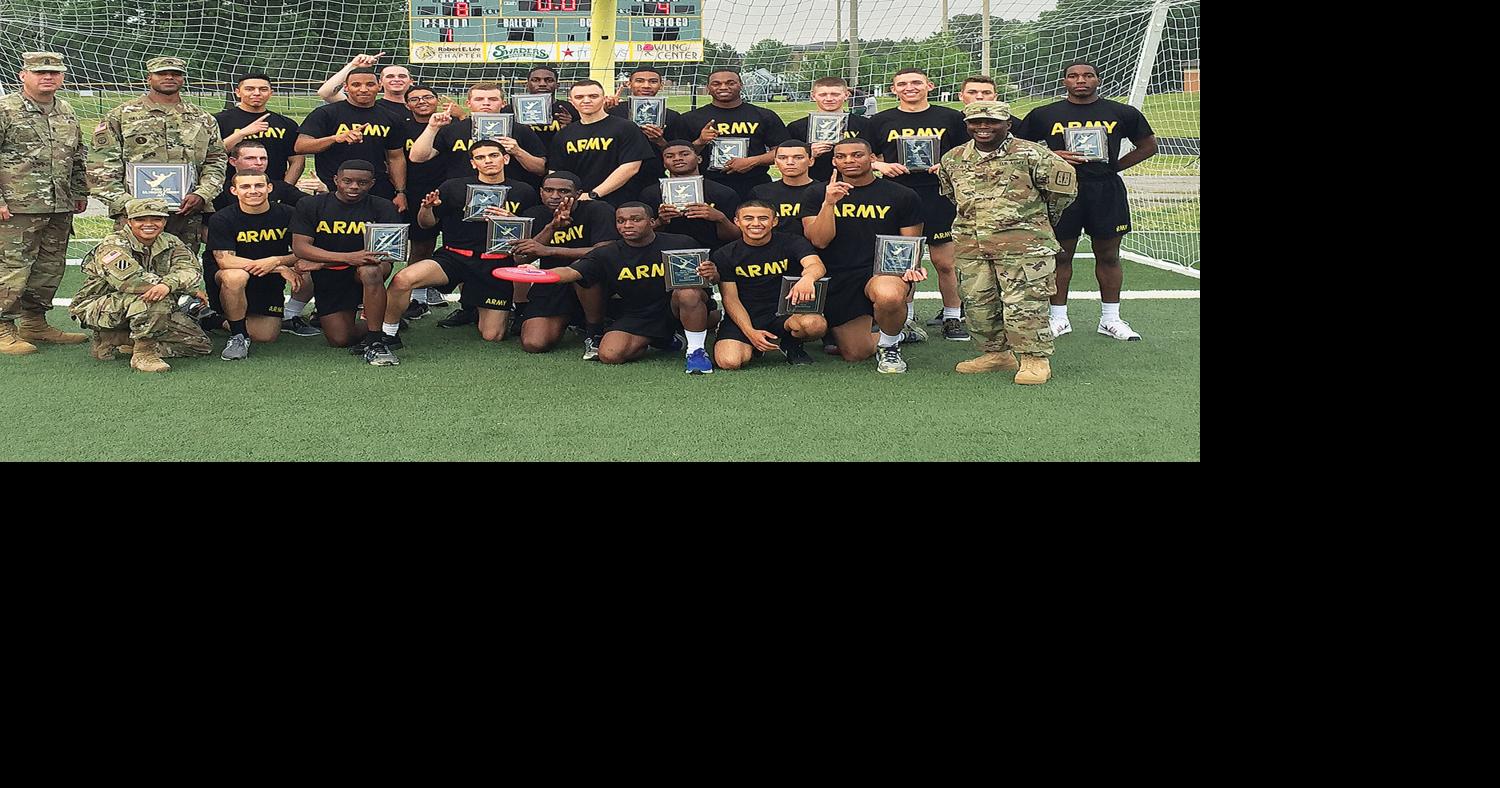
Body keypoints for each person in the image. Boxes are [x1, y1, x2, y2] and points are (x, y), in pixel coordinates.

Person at [1012, 59, 1157, 341]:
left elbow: (1148, 145)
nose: (1081, 80)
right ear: (1064, 81)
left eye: (1088, 75)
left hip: (1105, 190)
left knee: (1108, 254)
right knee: (1061, 255)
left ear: (1098, 80)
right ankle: (1059, 318)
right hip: (1062, 189)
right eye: (1073, 76)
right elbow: (1018, 147)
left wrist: (1114, 166)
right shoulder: (1045, 114)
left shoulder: (1121, 112)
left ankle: (1110, 319)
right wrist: (1051, 157)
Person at [938, 101, 1077, 385]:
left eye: (991, 121)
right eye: (975, 121)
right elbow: (954, 196)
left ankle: (1034, 358)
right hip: (971, 245)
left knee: (1024, 304)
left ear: (1008, 124)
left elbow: (1061, 194)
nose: (983, 127)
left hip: (1024, 247)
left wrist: (1031, 222)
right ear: (967, 125)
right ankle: (996, 354)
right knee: (978, 303)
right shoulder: (953, 159)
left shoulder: (1034, 155)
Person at [375, 140, 540, 364]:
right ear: (473, 163)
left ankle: (480, 307)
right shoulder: (453, 186)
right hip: (454, 256)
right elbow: (426, 224)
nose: (488, 161)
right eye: (480, 158)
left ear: (506, 158)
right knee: (403, 279)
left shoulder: (524, 191)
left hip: (495, 262)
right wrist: (427, 207)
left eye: (493, 155)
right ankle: (387, 334)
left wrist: (512, 221)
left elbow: (530, 235)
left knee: (493, 336)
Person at [409, 82, 548, 330]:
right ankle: (469, 308)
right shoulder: (454, 129)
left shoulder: (520, 131)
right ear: (469, 103)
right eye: (480, 99)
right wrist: (432, 127)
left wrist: (517, 151)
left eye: (492, 99)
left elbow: (540, 167)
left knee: (511, 253)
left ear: (503, 103)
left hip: (509, 203)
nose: (486, 103)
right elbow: (418, 157)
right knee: (463, 250)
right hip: (459, 204)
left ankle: (518, 306)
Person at [523, 203, 719, 374]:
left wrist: (713, 274)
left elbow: (710, 278)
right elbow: (572, 272)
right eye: (621, 221)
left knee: (688, 292)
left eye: (635, 220)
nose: (627, 225)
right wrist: (538, 274)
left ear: (651, 222)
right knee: (609, 354)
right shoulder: (607, 253)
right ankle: (663, 340)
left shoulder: (680, 243)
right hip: (639, 314)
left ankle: (696, 351)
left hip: (677, 308)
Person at [800, 138, 926, 374]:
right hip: (837, 275)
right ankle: (898, 330)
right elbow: (819, 240)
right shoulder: (817, 193)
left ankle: (890, 346)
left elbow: (910, 245)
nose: (849, 161)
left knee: (888, 296)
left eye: (857, 155)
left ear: (872, 159)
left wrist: (909, 275)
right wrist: (829, 204)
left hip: (880, 272)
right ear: (834, 161)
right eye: (841, 156)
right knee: (855, 353)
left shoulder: (902, 195)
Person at [868, 67, 970, 341]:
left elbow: (969, 152)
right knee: (901, 261)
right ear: (893, 89)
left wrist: (947, 164)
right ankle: (906, 318)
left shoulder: (950, 117)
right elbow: (863, 154)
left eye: (916, 82)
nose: (909, 87)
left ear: (930, 85)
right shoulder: (880, 120)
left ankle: (952, 316)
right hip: (896, 196)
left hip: (938, 195)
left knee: (944, 261)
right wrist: (881, 165)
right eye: (902, 84)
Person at [87, 56, 227, 254]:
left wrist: (202, 194)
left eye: (176, 74)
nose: (169, 77)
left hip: (185, 215)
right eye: (162, 73)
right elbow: (101, 166)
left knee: (182, 269)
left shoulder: (203, 119)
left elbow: (216, 161)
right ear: (149, 78)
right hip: (135, 216)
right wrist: (126, 203)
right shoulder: (121, 116)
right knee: (132, 274)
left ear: (183, 79)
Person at [0, 51, 89, 355]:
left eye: (54, 72)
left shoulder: (65, 110)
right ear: (23, 75)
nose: (48, 77)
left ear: (62, 77)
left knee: (49, 267)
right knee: (12, 267)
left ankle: (34, 322)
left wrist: (79, 192)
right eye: (40, 72)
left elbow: (78, 154)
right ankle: (2, 327)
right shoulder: (6, 109)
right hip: (16, 206)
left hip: (58, 204)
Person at [69, 197, 212, 372]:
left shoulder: (172, 242)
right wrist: (171, 286)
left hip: (147, 305)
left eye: (156, 219)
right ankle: (144, 353)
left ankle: (118, 338)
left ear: (165, 221)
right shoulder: (113, 243)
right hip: (98, 306)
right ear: (129, 222)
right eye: (140, 219)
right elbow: (129, 281)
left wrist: (171, 284)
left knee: (198, 345)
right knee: (155, 298)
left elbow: (190, 271)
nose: (149, 224)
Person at [288, 160, 403, 353]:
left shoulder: (383, 207)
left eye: (362, 182)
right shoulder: (310, 204)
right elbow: (300, 247)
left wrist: (324, 262)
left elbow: (388, 253)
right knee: (341, 339)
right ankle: (389, 319)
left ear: (372, 183)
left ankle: (376, 338)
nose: (354, 187)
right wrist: (345, 259)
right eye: (347, 181)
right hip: (330, 274)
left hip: (364, 269)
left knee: (370, 271)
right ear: (335, 180)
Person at [513, 172, 620, 357]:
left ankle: (595, 330)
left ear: (578, 194)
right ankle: (573, 319)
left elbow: (606, 252)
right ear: (540, 192)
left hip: (594, 283)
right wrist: (551, 227)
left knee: (582, 267)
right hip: (553, 282)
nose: (555, 196)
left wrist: (550, 250)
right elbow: (521, 260)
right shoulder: (533, 214)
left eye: (563, 191)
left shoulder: (598, 210)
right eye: (549, 190)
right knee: (534, 343)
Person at [712, 201, 827, 369]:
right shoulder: (725, 254)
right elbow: (730, 298)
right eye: (748, 218)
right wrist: (750, 332)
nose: (756, 224)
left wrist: (808, 278)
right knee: (730, 362)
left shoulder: (792, 242)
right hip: (747, 313)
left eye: (763, 218)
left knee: (815, 325)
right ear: (737, 222)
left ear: (774, 221)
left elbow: (816, 265)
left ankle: (791, 343)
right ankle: (754, 343)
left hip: (784, 313)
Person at [206, 172, 304, 361]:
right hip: (228, 279)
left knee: (265, 336)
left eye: (259, 186)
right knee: (235, 276)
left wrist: (277, 261)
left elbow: (302, 251)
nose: (253, 191)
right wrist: (278, 266)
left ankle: (211, 319)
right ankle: (238, 336)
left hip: (267, 280)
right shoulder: (222, 218)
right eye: (245, 187)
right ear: (234, 191)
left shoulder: (288, 214)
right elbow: (226, 261)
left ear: (269, 188)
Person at [668, 68, 790, 200]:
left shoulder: (764, 115)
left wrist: (752, 161)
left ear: (741, 85)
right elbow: (676, 157)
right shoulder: (690, 119)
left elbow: (783, 152)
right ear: (707, 87)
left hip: (754, 183)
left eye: (730, 83)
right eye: (716, 84)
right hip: (708, 186)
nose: (723, 87)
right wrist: (700, 141)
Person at [295, 67, 407, 203]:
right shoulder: (326, 113)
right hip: (332, 187)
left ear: (379, 86)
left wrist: (400, 192)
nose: (364, 89)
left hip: (376, 188)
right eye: (356, 85)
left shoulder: (391, 118)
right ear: (346, 87)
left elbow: (396, 158)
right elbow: (301, 146)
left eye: (370, 84)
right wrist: (335, 138)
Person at [394, 83, 451, 318]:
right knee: (421, 244)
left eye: (427, 97)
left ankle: (468, 298)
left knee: (457, 243)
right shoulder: (402, 128)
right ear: (407, 105)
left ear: (436, 100)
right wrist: (402, 191)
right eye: (415, 99)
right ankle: (417, 298)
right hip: (416, 192)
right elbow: (394, 159)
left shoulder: (453, 126)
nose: (422, 102)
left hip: (450, 192)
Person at [548, 79, 654, 206]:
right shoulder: (563, 134)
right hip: (577, 203)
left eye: (593, 96)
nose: (586, 100)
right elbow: (555, 172)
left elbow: (630, 167)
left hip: (619, 202)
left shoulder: (626, 127)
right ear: (571, 101)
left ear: (603, 98)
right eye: (579, 97)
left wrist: (594, 194)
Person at [639, 141, 740, 251]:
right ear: (664, 163)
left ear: (699, 159)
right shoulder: (650, 194)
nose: (677, 158)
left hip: (713, 251)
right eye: (669, 156)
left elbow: (735, 237)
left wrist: (720, 218)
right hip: (664, 253)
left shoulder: (723, 192)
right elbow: (640, 235)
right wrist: (660, 221)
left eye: (685, 154)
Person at [606, 66, 683, 207]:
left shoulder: (672, 116)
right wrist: (602, 109)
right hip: (615, 178)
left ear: (661, 85)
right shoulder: (612, 111)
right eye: (640, 81)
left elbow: (678, 153)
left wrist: (660, 141)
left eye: (653, 81)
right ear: (629, 84)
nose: (646, 85)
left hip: (653, 177)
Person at [215, 73, 305, 193]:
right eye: (249, 89)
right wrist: (242, 133)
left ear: (270, 93)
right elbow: (212, 153)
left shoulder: (286, 124)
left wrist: (284, 188)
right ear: (238, 92)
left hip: (272, 188)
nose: (257, 93)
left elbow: (297, 160)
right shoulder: (219, 121)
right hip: (230, 189)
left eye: (263, 89)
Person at [786, 76, 871, 183]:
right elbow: (786, 161)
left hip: (854, 183)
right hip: (811, 183)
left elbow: (876, 156)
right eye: (823, 94)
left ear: (846, 95)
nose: (829, 99)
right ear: (813, 96)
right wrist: (809, 153)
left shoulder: (864, 124)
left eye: (835, 94)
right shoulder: (797, 127)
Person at [748, 140, 816, 239]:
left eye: (798, 157)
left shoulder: (823, 191)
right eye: (783, 158)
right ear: (775, 162)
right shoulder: (760, 192)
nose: (790, 162)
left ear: (811, 161)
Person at [317, 54, 413, 118]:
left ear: (411, 81)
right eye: (390, 76)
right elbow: (326, 93)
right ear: (380, 83)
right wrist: (353, 65)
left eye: (402, 76)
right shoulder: (366, 104)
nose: (396, 79)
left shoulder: (421, 106)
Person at [509, 66, 578, 152]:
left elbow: (583, 135)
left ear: (557, 85)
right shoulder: (512, 109)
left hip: (559, 157)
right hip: (525, 159)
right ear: (526, 85)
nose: (542, 84)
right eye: (535, 80)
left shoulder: (569, 108)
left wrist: (571, 125)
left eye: (549, 80)